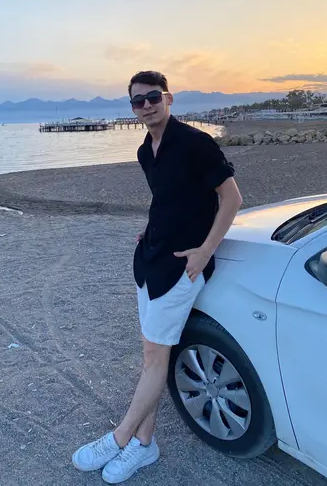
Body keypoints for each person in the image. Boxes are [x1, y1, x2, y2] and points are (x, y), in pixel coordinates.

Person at [72, 71, 242, 484]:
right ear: (132, 107)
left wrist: (205, 251)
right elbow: (168, 201)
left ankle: (120, 437)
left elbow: (231, 198)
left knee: (153, 357)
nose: (146, 106)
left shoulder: (196, 143)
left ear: (169, 98)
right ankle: (145, 444)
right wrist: (151, 230)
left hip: (183, 265)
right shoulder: (145, 152)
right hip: (150, 257)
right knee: (154, 356)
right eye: (138, 101)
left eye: (153, 97)